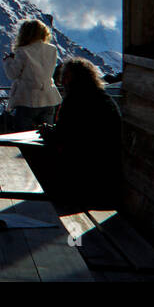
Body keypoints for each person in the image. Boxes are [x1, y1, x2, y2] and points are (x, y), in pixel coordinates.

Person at [37, 57, 122, 206]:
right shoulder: (103, 98)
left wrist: (46, 132)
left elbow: (61, 137)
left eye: (66, 77)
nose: (63, 82)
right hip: (108, 178)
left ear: (76, 78)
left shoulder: (74, 101)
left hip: (82, 180)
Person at [3, 18, 62, 130]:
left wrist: (8, 62)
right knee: (46, 135)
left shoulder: (23, 51)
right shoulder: (52, 49)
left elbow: (13, 74)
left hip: (27, 99)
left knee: (23, 136)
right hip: (49, 98)